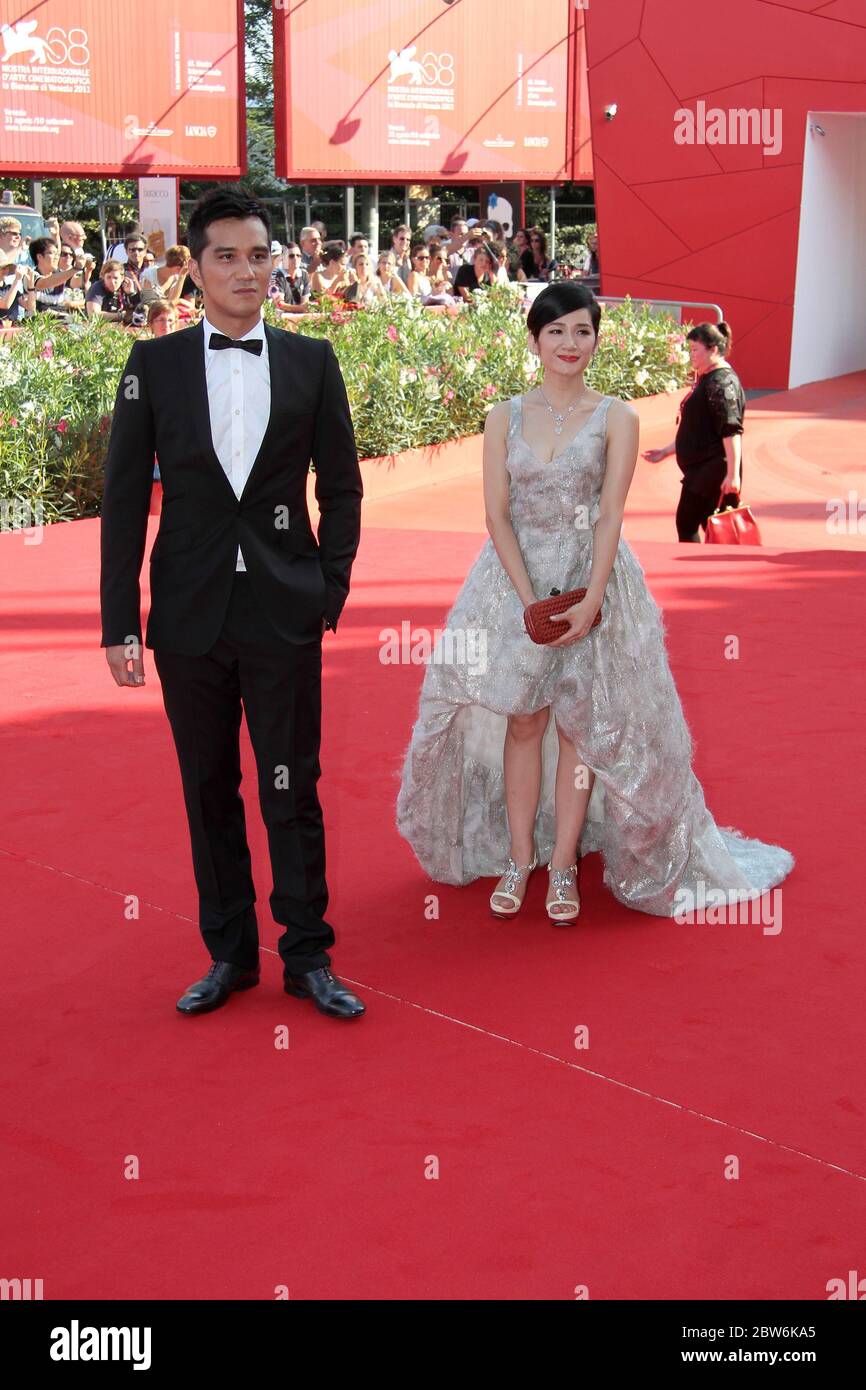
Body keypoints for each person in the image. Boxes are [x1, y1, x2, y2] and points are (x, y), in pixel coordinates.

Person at [396, 282, 793, 921]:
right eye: (556, 331)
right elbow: (496, 516)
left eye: (582, 331)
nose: (569, 344)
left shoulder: (618, 417)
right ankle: (521, 857)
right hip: (510, 581)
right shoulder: (504, 416)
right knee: (523, 721)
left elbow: (611, 516)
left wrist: (590, 601)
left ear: (596, 340)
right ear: (534, 340)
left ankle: (563, 869)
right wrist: (531, 603)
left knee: (581, 729)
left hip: (596, 580)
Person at [99, 185, 365, 1019]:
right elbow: (118, 503)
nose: (247, 270)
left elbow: (344, 486)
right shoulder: (155, 367)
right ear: (197, 269)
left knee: (294, 787)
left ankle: (308, 956)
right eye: (227, 256)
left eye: (259, 254)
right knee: (207, 787)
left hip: (284, 608)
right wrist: (119, 622)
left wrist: (330, 585)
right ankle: (229, 955)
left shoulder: (313, 361)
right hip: (188, 617)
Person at [643, 322, 745, 542]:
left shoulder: (722, 382)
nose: (691, 355)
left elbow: (731, 430)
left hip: (713, 469)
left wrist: (733, 474)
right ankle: (717, 567)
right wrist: (666, 451)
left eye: (695, 350)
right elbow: (696, 429)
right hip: (705, 469)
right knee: (711, 525)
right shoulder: (708, 379)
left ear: (713, 350)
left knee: (687, 522)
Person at [29, 235, 79, 316]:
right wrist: (75, 269)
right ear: (39, 256)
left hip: (62, 322)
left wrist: (87, 271)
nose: (56, 257)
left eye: (57, 254)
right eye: (52, 253)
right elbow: (44, 283)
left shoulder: (60, 274)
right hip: (40, 324)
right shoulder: (31, 275)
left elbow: (76, 283)